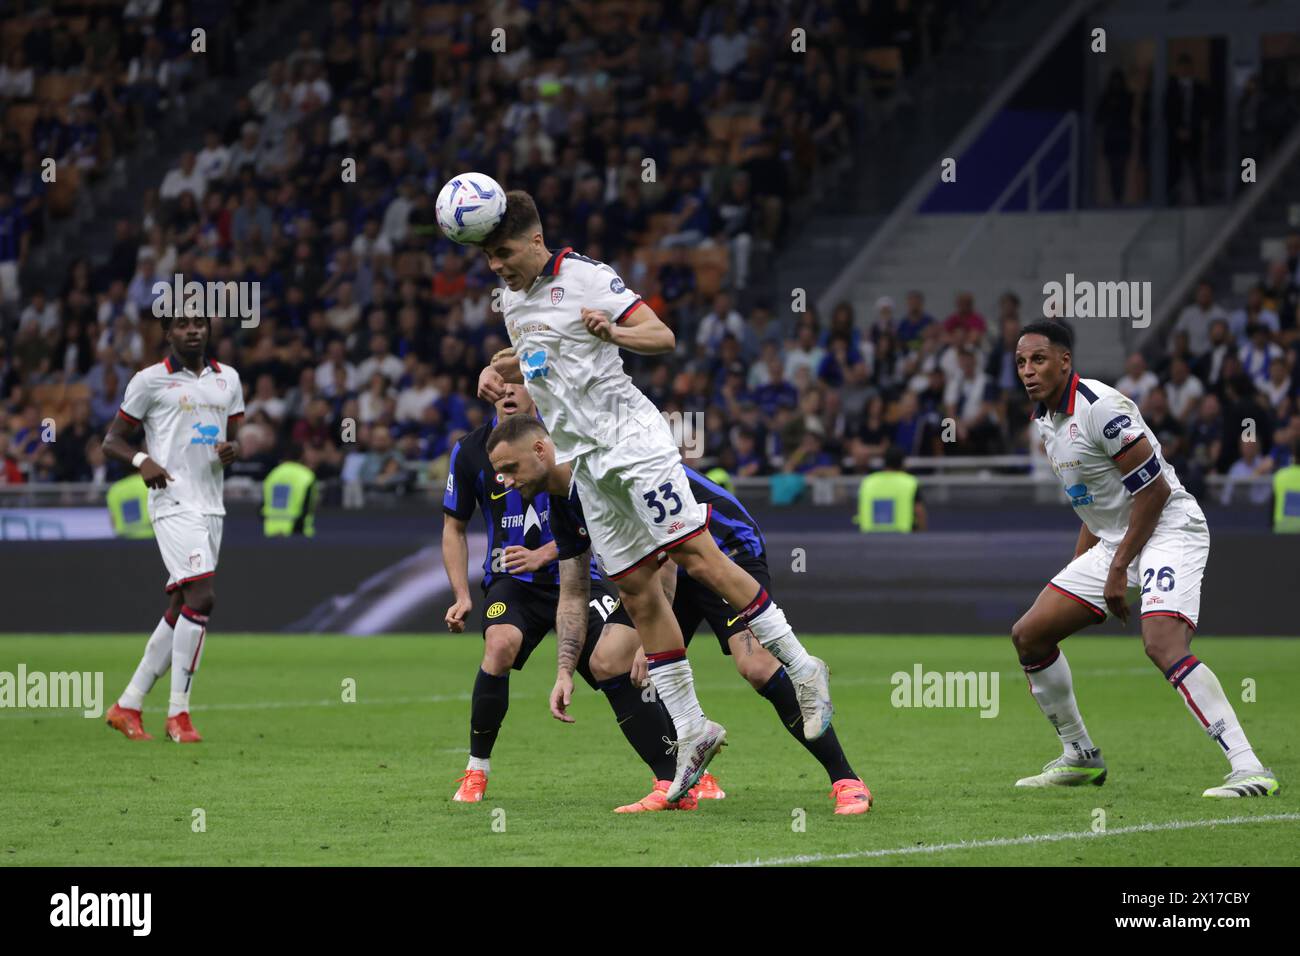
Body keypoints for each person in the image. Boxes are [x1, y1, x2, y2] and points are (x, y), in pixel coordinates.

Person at [475, 190, 832, 803]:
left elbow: (660, 336)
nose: (497, 267)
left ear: (536, 241)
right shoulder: (511, 299)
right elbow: (540, 355)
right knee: (638, 591)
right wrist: (499, 367)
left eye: (504, 253)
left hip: (632, 442)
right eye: (487, 258)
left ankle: (802, 666)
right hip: (586, 462)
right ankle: (692, 726)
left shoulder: (586, 277)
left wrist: (612, 330)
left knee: (695, 554)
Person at [489, 415, 872, 814]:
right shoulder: (562, 506)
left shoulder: (604, 473)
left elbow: (670, 552)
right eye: (500, 474)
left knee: (756, 664)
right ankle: (672, 784)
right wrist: (565, 671)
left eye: (510, 469)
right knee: (606, 661)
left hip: (720, 549)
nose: (507, 481)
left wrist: (652, 644)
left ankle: (847, 780)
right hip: (661, 565)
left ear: (540, 450)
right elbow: (572, 592)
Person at [1010, 321, 1276, 798]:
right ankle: (1081, 757)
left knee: (1161, 643)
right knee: (1030, 635)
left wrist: (1116, 570)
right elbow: (1094, 504)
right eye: (1021, 363)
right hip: (1118, 538)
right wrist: (1080, 575)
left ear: (1065, 361)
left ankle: (1250, 767)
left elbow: (1152, 491)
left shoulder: (1100, 408)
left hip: (1169, 527)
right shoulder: (1045, 422)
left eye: (1039, 360)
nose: (1028, 371)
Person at [442, 382, 707, 811]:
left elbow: (604, 537)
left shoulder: (570, 439)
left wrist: (543, 553)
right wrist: (460, 594)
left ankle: (683, 763)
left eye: (515, 384)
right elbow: (453, 525)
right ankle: (476, 768)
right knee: (500, 643)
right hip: (516, 582)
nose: (506, 393)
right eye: (497, 387)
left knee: (617, 663)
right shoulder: (472, 450)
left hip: (581, 573)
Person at [101, 313, 244, 743]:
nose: (192, 330)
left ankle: (127, 704)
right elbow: (112, 441)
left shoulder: (229, 380)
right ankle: (178, 714)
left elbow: (232, 437)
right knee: (203, 596)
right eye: (182, 324)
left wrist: (232, 450)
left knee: (182, 602)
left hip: (211, 505)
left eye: (199, 323)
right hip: (172, 500)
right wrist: (141, 461)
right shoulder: (148, 381)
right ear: (167, 334)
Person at [856, 445, 926, 532]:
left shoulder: (868, 482)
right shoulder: (909, 482)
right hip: (903, 540)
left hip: (870, 538)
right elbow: (919, 512)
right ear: (902, 463)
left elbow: (861, 510)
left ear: (884, 462)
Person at [262, 443, 318, 537]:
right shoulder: (306, 476)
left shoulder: (273, 474)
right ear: (302, 455)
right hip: (298, 533)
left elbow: (263, 505)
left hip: (271, 532)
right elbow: (308, 507)